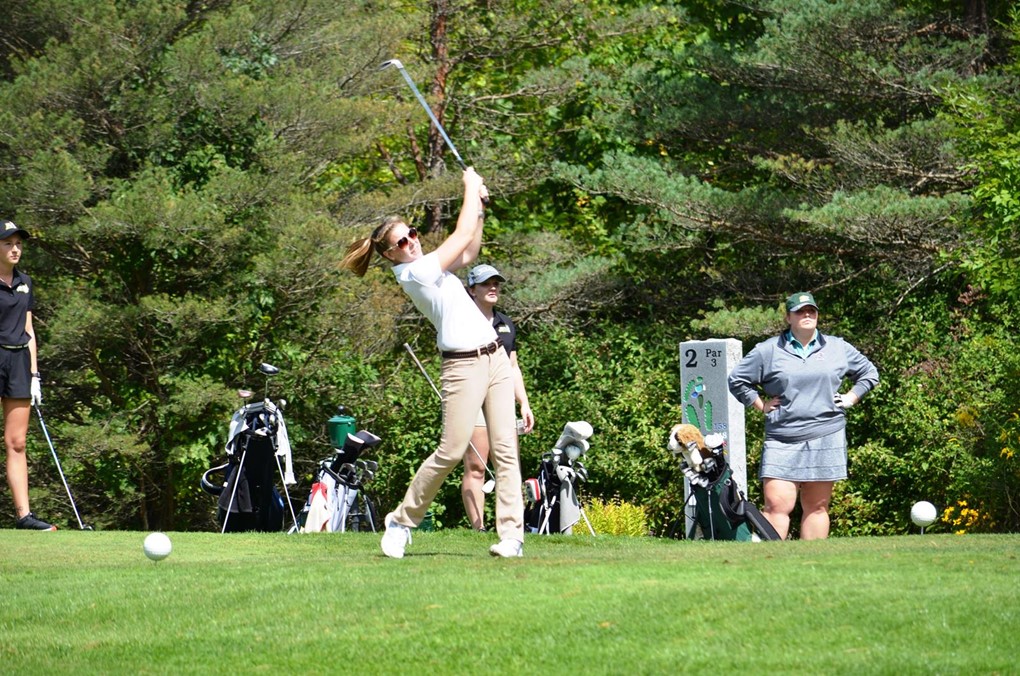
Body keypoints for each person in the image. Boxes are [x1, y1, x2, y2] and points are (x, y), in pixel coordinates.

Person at [340, 168, 525, 558]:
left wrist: (480, 211)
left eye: (412, 235)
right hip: (462, 366)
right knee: (452, 450)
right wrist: (470, 188)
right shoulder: (413, 272)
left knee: (506, 451)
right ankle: (402, 521)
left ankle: (512, 537)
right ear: (390, 254)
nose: (411, 243)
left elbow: (469, 250)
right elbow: (457, 239)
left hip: (494, 359)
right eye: (401, 242)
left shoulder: (430, 265)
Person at [727, 292, 878, 540]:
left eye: (812, 311)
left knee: (817, 507)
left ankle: (811, 566)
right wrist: (760, 405)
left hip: (826, 433)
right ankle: (770, 566)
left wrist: (851, 397)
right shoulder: (767, 350)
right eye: (800, 311)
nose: (807, 315)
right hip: (782, 437)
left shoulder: (838, 347)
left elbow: (869, 373)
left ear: (817, 315)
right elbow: (737, 379)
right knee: (776, 505)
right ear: (789, 317)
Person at [461, 264, 534, 531]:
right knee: (476, 465)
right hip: (473, 399)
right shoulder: (461, 321)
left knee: (508, 465)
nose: (493, 288)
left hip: (502, 398)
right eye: (485, 284)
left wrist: (523, 403)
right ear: (472, 290)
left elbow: (513, 367)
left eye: (496, 283)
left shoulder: (506, 324)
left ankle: (510, 526)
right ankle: (479, 528)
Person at [0, 219, 54, 530]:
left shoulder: (25, 282)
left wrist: (34, 375)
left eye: (18, 243)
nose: (15, 248)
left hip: (19, 361)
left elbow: (29, 329)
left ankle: (24, 516)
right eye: (8, 243)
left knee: (17, 442)